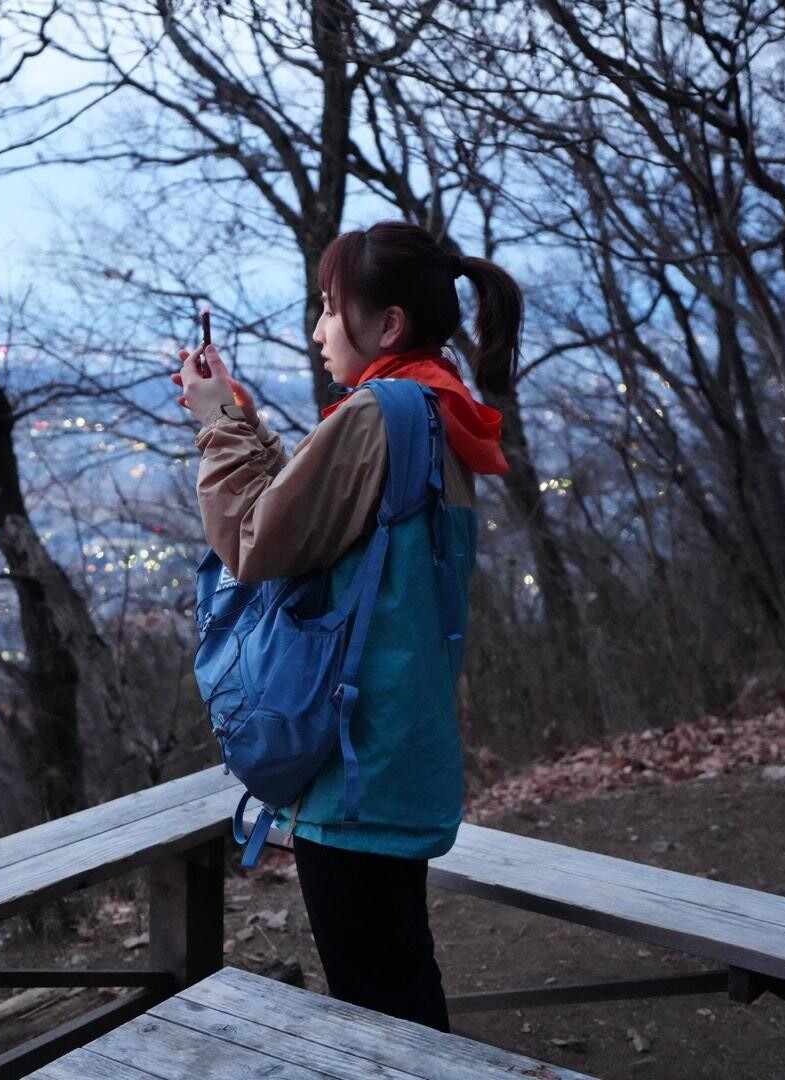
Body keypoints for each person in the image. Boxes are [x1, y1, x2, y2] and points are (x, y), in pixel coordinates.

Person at [173, 220, 521, 1032]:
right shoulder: (433, 408)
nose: (319, 330)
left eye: (331, 309)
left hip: (356, 763)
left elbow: (256, 543)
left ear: (388, 324)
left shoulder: (379, 413)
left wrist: (217, 425)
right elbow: (322, 523)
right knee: (399, 983)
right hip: (399, 751)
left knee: (383, 1009)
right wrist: (241, 422)